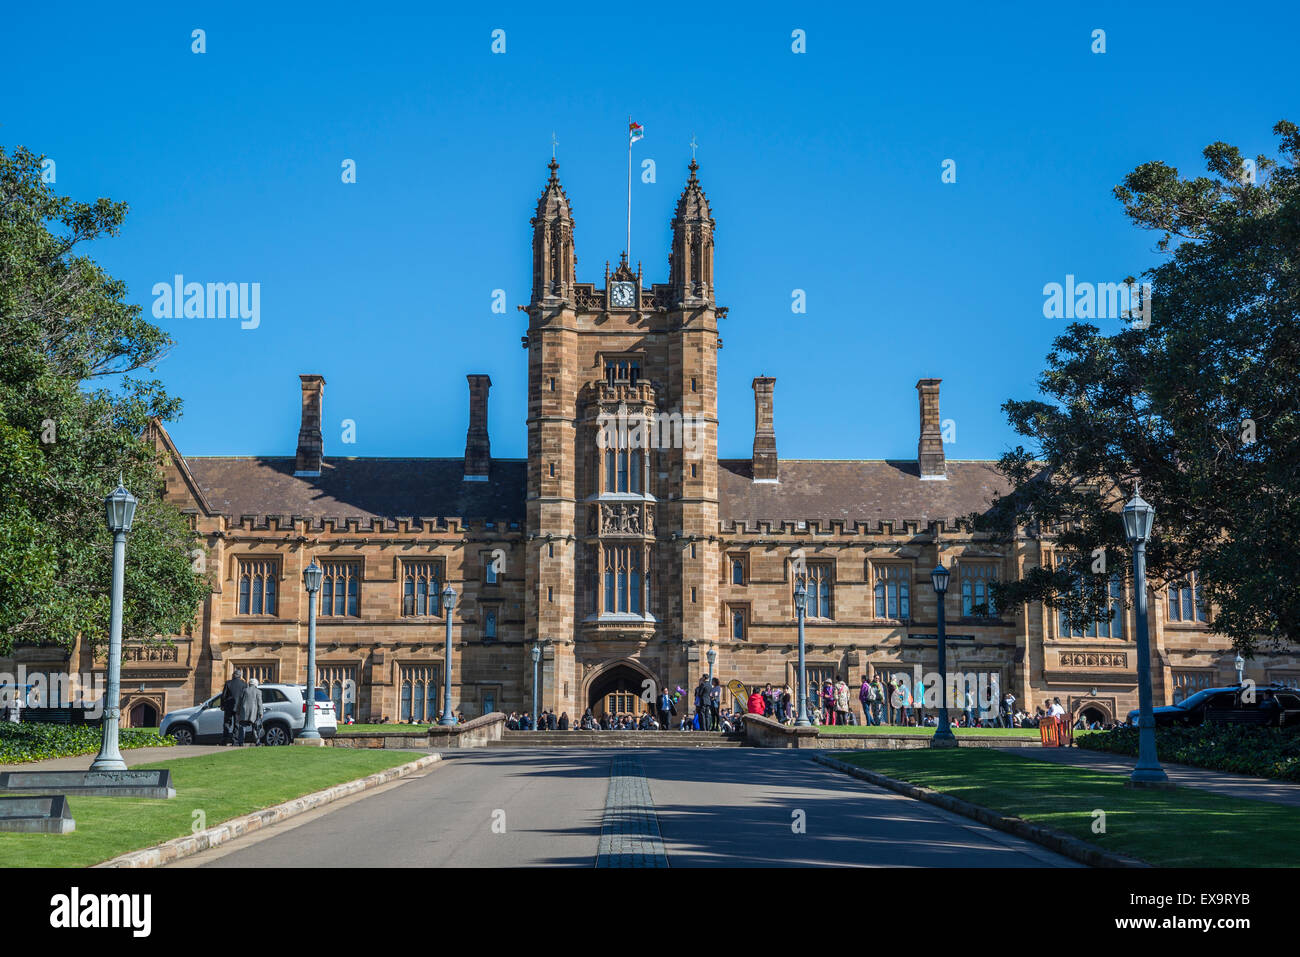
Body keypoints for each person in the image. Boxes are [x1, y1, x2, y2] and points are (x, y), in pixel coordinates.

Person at [220, 668, 247, 746]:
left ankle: (225, 740)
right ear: (240, 676)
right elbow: (245, 697)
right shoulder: (244, 684)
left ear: (233, 676)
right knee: (237, 724)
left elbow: (223, 696)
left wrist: (222, 705)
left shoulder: (228, 683)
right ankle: (234, 741)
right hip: (238, 707)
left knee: (227, 723)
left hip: (228, 706)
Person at [236, 677, 263, 746]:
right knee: (255, 728)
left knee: (242, 727)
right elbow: (259, 703)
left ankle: (241, 742)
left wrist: (238, 711)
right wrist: (261, 713)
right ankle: (257, 742)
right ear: (256, 684)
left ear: (249, 684)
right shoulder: (258, 691)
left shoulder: (244, 690)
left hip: (244, 712)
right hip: (254, 713)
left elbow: (239, 702)